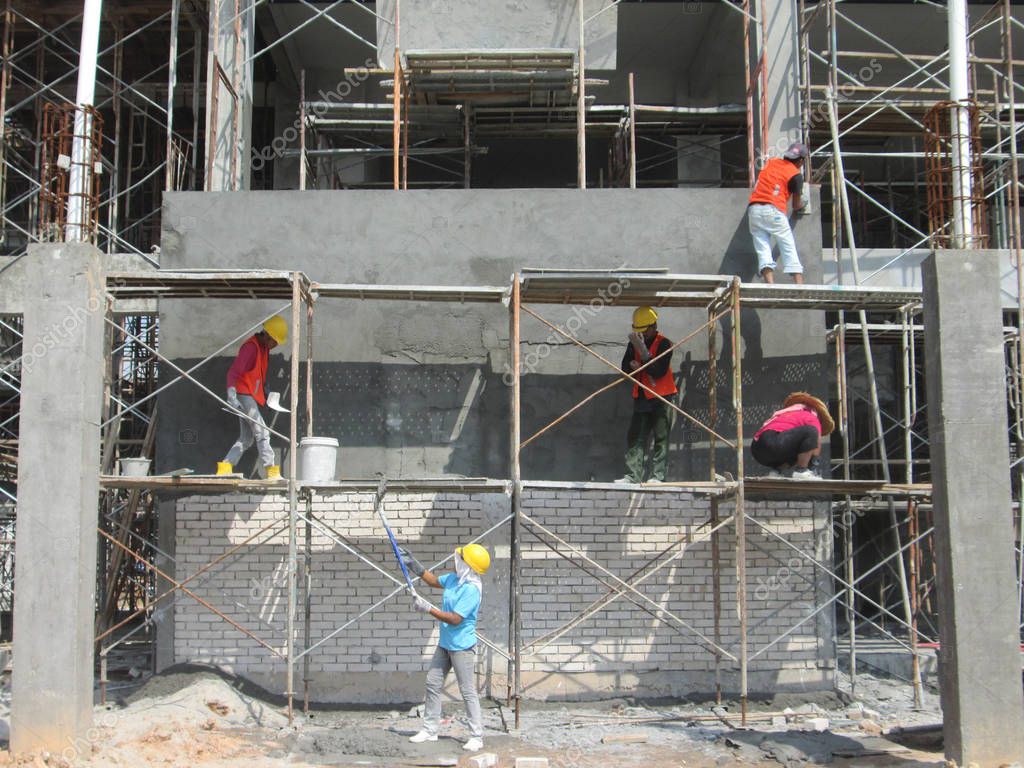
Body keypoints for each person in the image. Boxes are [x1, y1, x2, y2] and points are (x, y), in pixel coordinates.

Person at [400, 543, 491, 753]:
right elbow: (432, 581)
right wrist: (413, 564)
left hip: (462, 647)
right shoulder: (454, 579)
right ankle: (430, 729)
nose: (455, 560)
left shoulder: (471, 590)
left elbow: (455, 619)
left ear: (467, 565)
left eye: (459, 558)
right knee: (432, 683)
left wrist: (428, 609)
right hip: (445, 643)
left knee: (467, 691)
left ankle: (477, 736)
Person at [215, 315, 288, 479]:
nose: (276, 345)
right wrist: (231, 394)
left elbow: (257, 374)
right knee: (262, 431)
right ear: (267, 335)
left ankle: (225, 466)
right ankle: (271, 469)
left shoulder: (263, 349)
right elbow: (234, 371)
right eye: (275, 341)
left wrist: (265, 391)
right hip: (242, 394)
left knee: (246, 438)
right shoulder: (251, 347)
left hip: (248, 394)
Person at [615, 306, 678, 484]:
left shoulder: (664, 344)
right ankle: (632, 476)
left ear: (653, 326)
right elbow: (625, 368)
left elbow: (658, 372)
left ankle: (658, 476)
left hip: (662, 397)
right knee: (636, 437)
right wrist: (633, 367)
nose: (641, 334)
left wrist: (644, 356)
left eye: (644, 331)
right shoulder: (632, 343)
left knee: (661, 437)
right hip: (642, 396)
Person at [748, 141, 808, 284]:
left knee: (762, 247)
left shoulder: (771, 162)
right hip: (774, 210)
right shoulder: (796, 175)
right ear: (800, 161)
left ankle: (770, 284)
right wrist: (802, 205)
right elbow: (795, 205)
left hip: (754, 209)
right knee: (787, 245)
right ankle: (800, 285)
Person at [751, 392, 834, 480]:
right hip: (775, 443)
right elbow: (817, 442)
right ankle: (801, 471)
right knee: (812, 431)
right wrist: (813, 466)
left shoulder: (782, 415)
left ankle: (775, 472)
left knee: (799, 449)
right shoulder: (811, 416)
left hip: (757, 449)